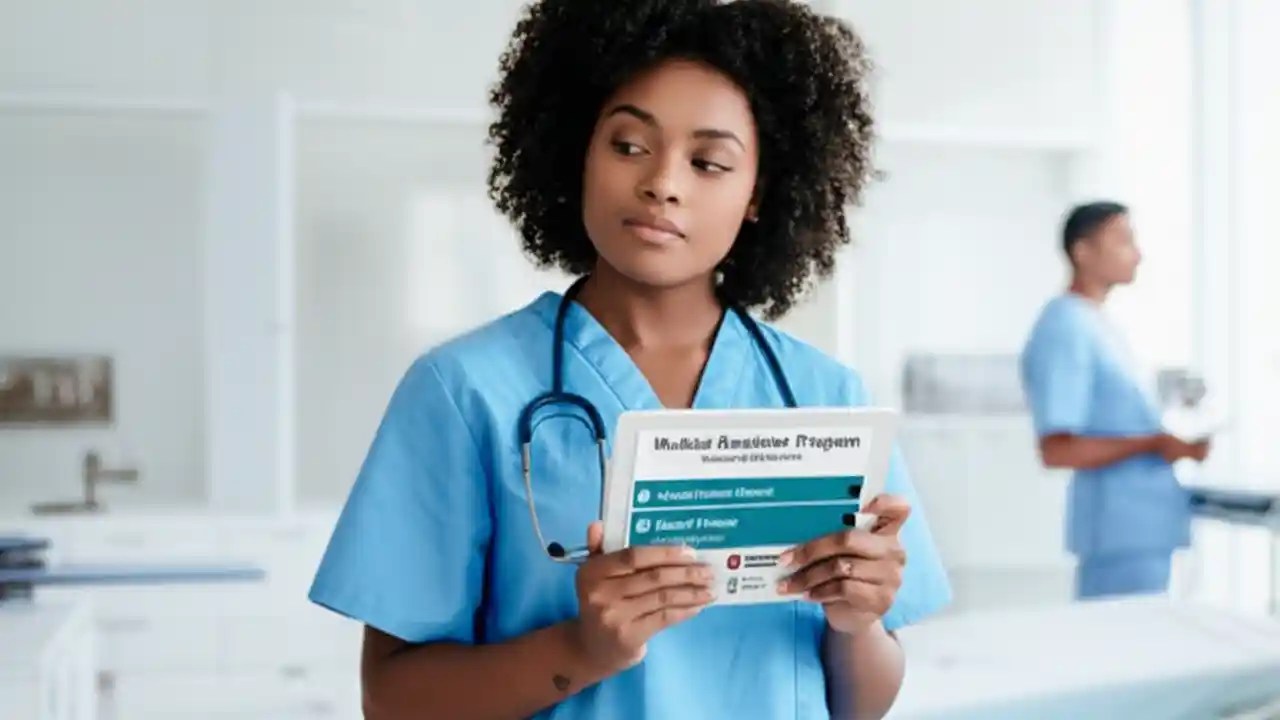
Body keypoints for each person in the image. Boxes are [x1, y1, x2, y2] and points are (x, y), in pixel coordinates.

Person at [307, 2, 951, 718]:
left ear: (760, 194)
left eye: (709, 162)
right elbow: (394, 701)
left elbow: (862, 704)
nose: (663, 184)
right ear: (577, 151)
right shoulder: (464, 391)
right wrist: (583, 650)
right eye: (628, 145)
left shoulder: (824, 396)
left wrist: (857, 621)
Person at [1020, 201, 1210, 601]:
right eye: (1123, 241)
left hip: (1141, 528)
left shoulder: (1100, 323)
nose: (1137, 254)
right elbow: (1057, 449)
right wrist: (1154, 444)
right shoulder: (1065, 326)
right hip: (1119, 530)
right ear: (1082, 251)